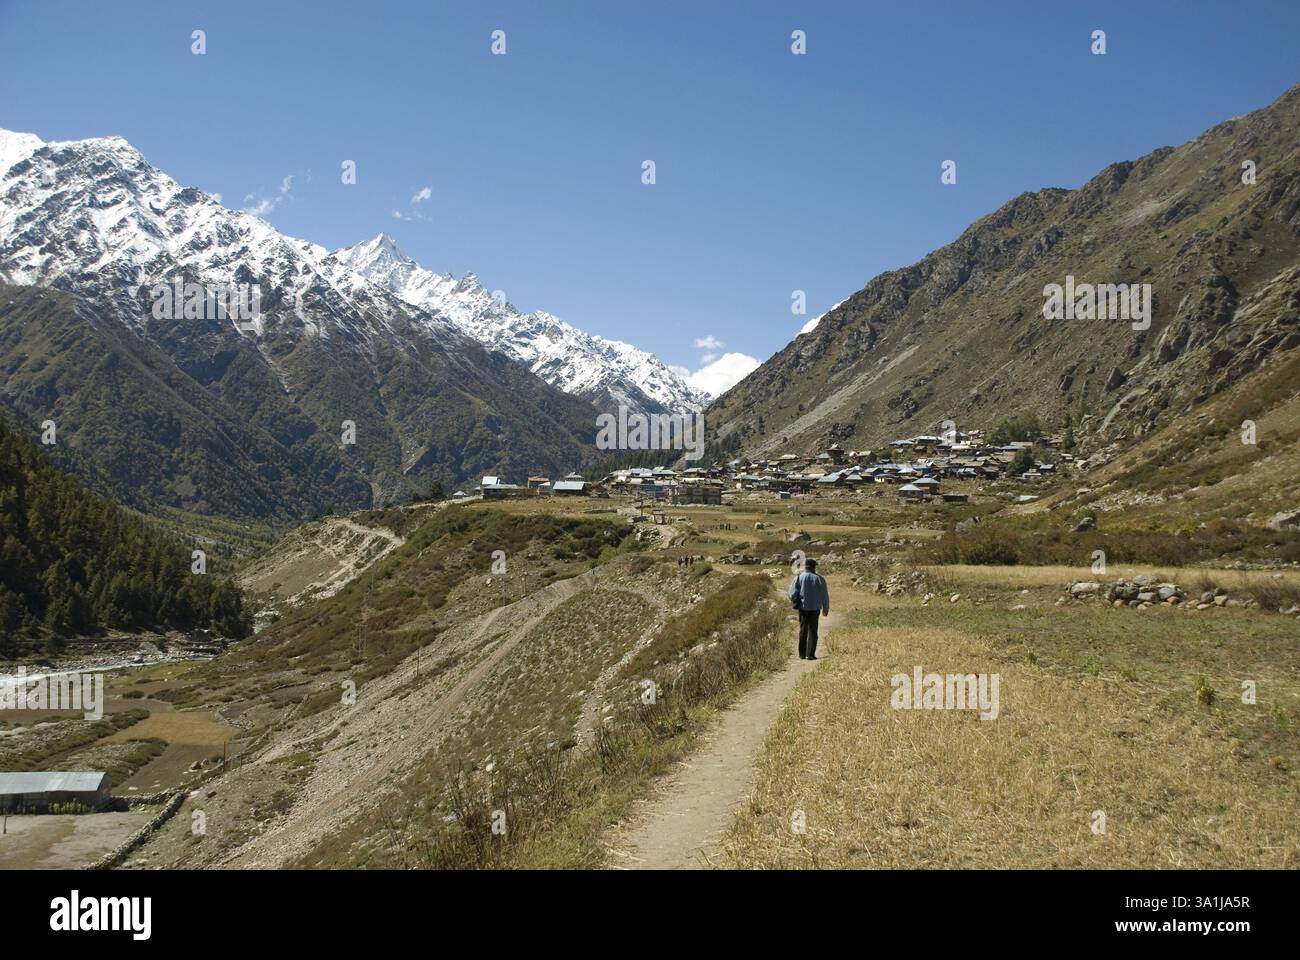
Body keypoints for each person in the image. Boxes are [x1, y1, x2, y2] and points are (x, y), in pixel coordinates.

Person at [788, 558, 830, 660]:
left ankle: (802, 654)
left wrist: (795, 600)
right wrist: (825, 607)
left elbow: (791, 593)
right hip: (815, 609)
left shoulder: (799, 578)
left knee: (803, 630)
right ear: (814, 567)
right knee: (813, 631)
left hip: (803, 608)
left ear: (805, 566)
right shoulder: (820, 579)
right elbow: (824, 595)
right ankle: (810, 654)